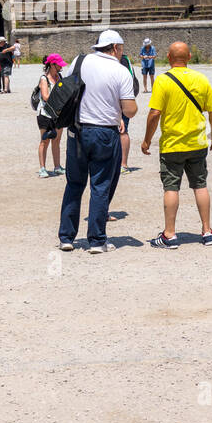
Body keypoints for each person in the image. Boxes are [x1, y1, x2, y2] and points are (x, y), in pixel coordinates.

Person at [58, 29, 137, 254]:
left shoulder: (80, 61)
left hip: (77, 131)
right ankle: (96, 240)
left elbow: (68, 89)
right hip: (104, 133)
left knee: (74, 184)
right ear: (115, 48)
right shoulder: (120, 71)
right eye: (121, 49)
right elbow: (129, 111)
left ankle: (66, 237)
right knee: (100, 186)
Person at [141, 41, 212, 247]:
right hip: (197, 143)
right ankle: (207, 231)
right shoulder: (201, 79)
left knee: (171, 188)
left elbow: (155, 113)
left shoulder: (162, 81)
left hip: (173, 144)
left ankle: (170, 234)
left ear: (168, 57)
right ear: (190, 57)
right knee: (200, 185)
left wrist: (147, 140)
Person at [36, 54, 66, 177]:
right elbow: (45, 97)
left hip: (58, 114)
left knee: (56, 141)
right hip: (45, 114)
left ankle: (57, 167)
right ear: (52, 65)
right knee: (45, 141)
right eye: (59, 65)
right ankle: (42, 168)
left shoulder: (59, 76)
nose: (61, 67)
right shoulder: (44, 79)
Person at [118, 49, 140, 175]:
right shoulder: (125, 60)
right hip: (123, 100)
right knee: (122, 131)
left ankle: (123, 164)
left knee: (122, 131)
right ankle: (122, 164)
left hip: (120, 101)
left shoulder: (121, 61)